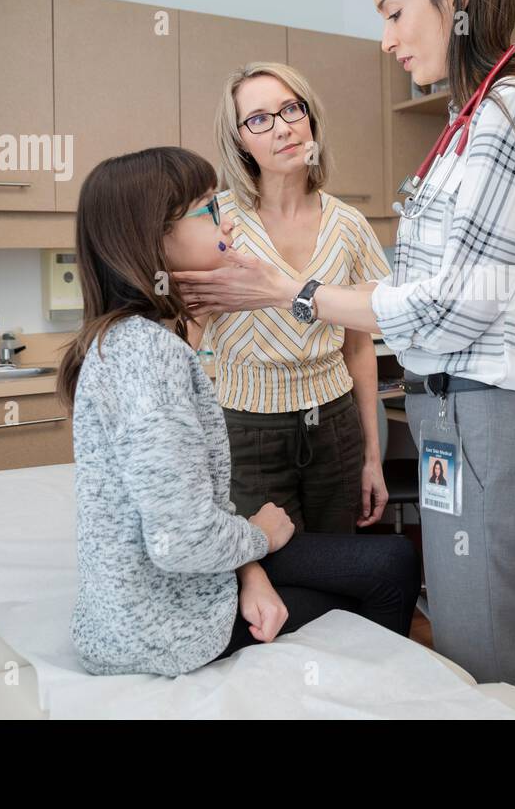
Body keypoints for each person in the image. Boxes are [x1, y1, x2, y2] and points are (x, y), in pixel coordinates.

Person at [173, 0, 515, 702]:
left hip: (488, 414)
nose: (387, 39)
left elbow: (439, 311)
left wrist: (292, 292)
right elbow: (412, 294)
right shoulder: (468, 120)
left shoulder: (512, 111)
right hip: (450, 416)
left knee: (490, 646)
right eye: (256, 119)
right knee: (470, 637)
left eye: (393, 10)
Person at [58, 146, 419, 676]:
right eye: (207, 209)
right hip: (165, 625)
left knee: (384, 560)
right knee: (388, 570)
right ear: (155, 236)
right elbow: (180, 541)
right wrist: (260, 538)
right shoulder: (150, 358)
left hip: (172, 588)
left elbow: (187, 502)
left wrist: (250, 566)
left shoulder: (135, 339)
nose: (226, 218)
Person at [189, 62, 392, 534]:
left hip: (336, 426)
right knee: (274, 579)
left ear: (310, 119)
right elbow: (184, 332)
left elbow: (360, 348)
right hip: (246, 431)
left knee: (340, 566)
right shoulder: (215, 221)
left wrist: (372, 458)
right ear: (240, 139)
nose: (282, 128)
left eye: (290, 110)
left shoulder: (350, 225)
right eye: (259, 119)